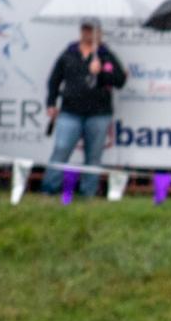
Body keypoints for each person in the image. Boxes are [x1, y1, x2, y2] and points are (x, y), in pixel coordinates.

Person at [41, 18, 126, 198]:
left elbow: (120, 80)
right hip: (70, 111)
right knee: (62, 148)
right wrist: (51, 103)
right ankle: (49, 188)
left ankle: (88, 192)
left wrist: (101, 72)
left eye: (92, 30)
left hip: (98, 113)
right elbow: (54, 80)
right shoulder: (69, 53)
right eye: (85, 30)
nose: (88, 33)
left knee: (93, 155)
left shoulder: (106, 55)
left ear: (99, 33)